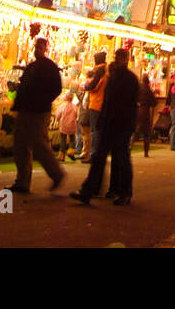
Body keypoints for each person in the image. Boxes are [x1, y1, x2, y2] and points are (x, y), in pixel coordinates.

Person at [72, 49, 139, 206]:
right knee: (101, 157)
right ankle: (90, 190)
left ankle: (122, 191)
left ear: (125, 59)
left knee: (120, 159)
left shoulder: (128, 79)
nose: (117, 60)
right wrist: (103, 120)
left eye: (119, 58)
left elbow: (128, 104)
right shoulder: (114, 77)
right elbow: (108, 100)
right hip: (112, 123)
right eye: (116, 57)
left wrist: (127, 124)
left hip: (121, 124)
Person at [6, 37, 65, 194]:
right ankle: (22, 181)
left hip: (38, 111)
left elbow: (56, 88)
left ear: (45, 48)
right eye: (36, 46)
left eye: (40, 46)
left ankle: (56, 174)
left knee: (38, 144)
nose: (37, 48)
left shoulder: (49, 67)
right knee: (20, 145)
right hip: (26, 109)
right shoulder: (33, 66)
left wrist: (42, 101)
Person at [80, 51, 108, 162]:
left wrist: (86, 86)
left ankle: (94, 154)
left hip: (96, 103)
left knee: (95, 131)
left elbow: (93, 86)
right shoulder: (106, 71)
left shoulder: (99, 71)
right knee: (99, 131)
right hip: (103, 104)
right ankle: (99, 154)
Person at [55, 90, 79, 161]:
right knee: (72, 139)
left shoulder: (62, 106)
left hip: (64, 125)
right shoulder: (75, 106)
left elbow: (58, 116)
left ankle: (62, 155)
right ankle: (71, 152)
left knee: (63, 140)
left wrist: (58, 120)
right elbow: (77, 115)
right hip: (72, 125)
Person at [138, 74, 158, 157]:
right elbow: (154, 103)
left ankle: (129, 147)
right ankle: (146, 152)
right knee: (146, 133)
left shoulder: (138, 89)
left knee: (135, 130)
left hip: (138, 111)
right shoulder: (149, 90)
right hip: (146, 112)